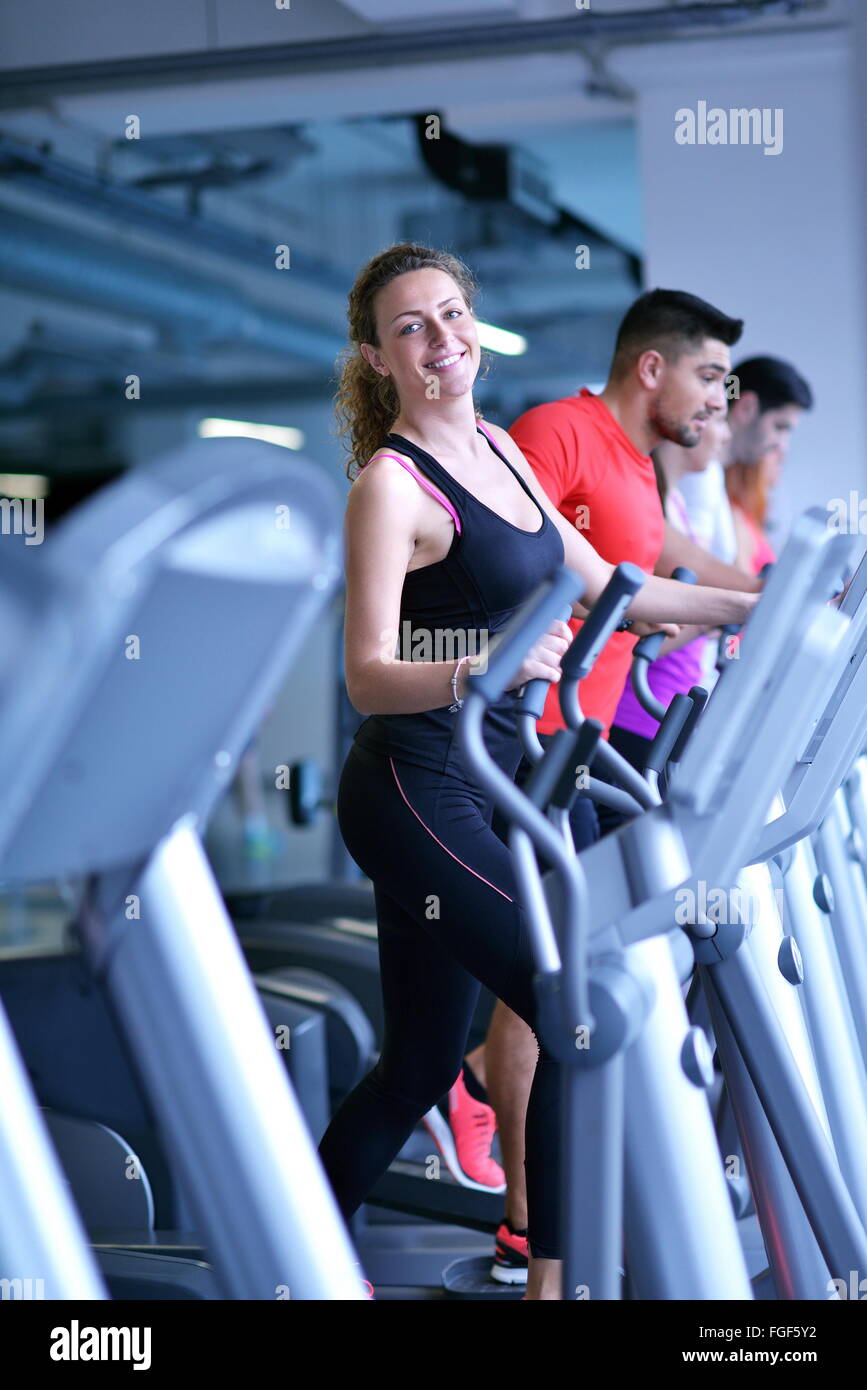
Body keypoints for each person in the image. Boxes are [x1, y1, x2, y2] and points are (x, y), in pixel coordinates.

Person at [319, 246, 757, 1298]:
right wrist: (477, 664)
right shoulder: (391, 485)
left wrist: (760, 610)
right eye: (413, 327)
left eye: (454, 314)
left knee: (422, 1062)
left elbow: (615, 587)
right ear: (378, 358)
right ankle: (556, 1283)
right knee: (572, 999)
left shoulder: (506, 453)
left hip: (502, 779)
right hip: (415, 787)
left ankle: (292, 1256)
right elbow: (368, 673)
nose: (442, 339)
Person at [483, 289, 771, 1284]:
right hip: (536, 746)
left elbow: (652, 573)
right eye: (708, 374)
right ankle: (525, 1210)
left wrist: (762, 599)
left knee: (583, 975)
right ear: (652, 367)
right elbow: (509, 561)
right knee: (535, 992)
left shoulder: (636, 467)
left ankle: (577, 1199)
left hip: (597, 745)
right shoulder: (556, 433)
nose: (719, 398)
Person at [608, 411, 732, 774]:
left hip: (669, 711)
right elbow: (641, 639)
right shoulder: (654, 509)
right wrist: (717, 615)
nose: (725, 436)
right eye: (718, 420)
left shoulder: (676, 505)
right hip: (638, 713)